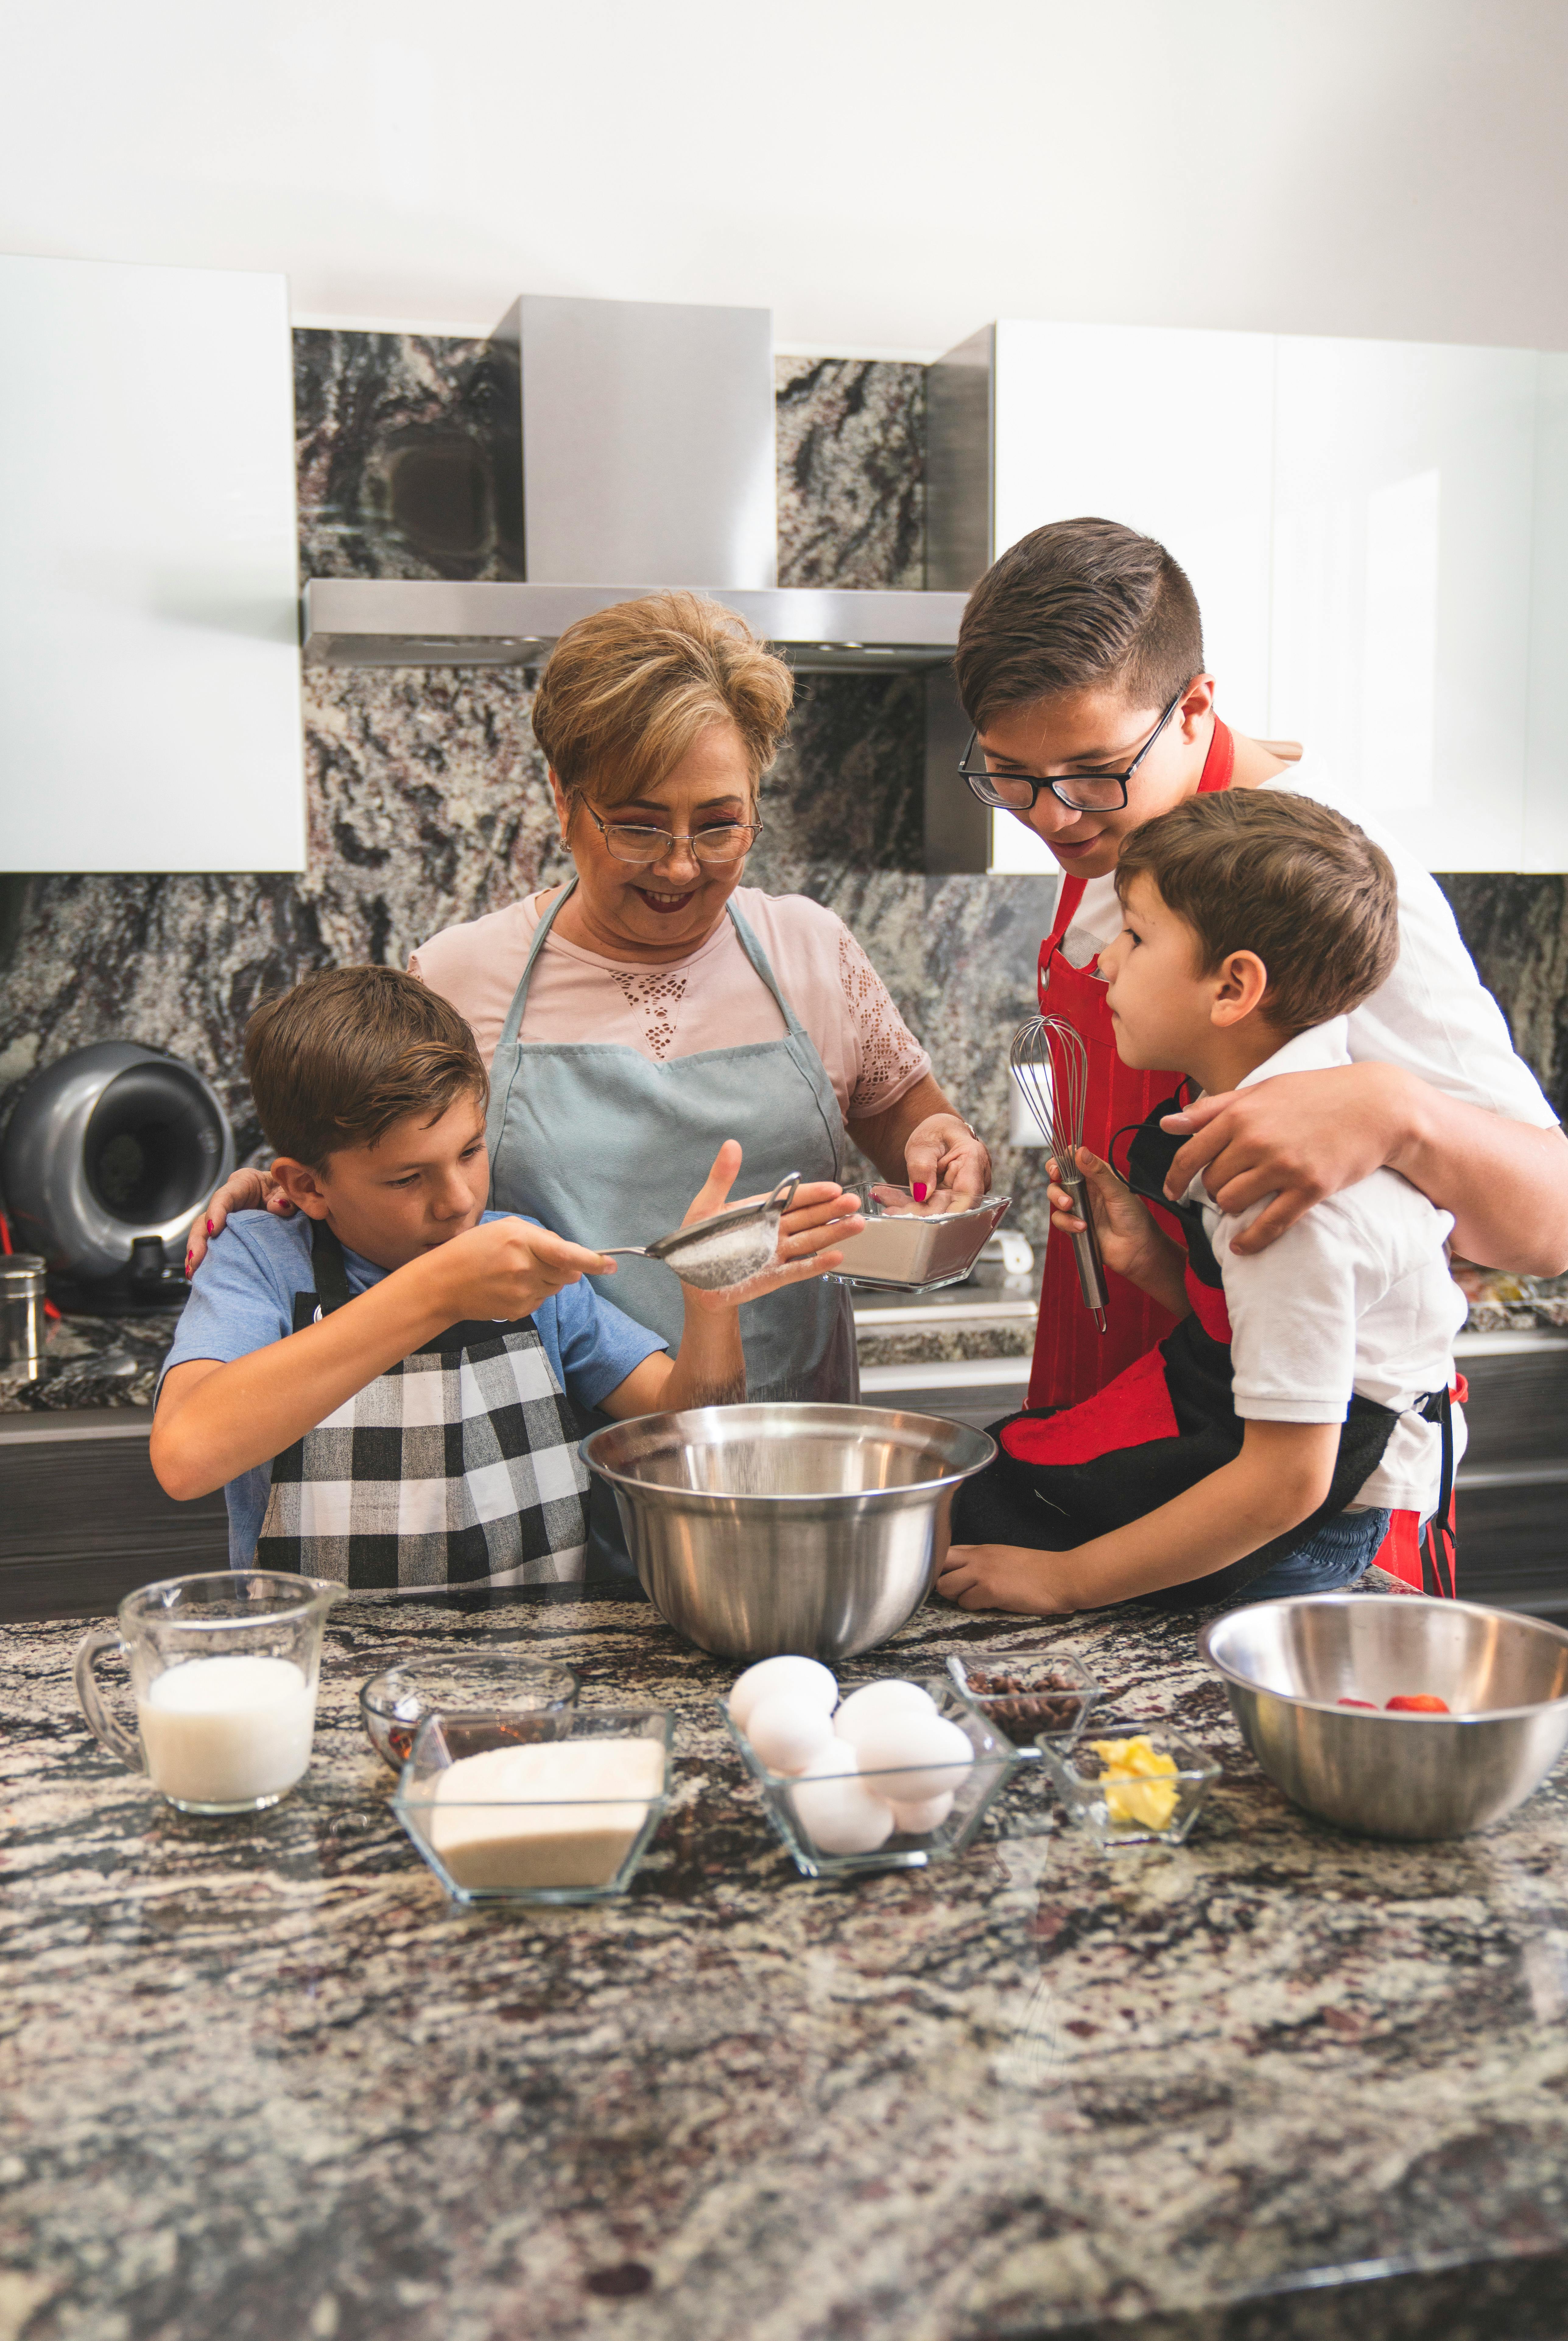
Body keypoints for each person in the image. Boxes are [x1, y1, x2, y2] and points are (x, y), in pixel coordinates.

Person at [192, 592, 991, 1413]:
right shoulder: (460, 976)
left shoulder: (810, 952)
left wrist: (938, 1143)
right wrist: (287, 1200)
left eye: (718, 825)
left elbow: (908, 1126)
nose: (680, 867)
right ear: (563, 799)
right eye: (639, 828)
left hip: (783, 1446)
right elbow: (381, 1170)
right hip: (536, 1470)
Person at [951, 518, 1566, 1584]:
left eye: (1092, 772)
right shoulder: (1126, 830)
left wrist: (1394, 1109)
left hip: (1298, 1492)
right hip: (1150, 1416)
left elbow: (1551, 1220)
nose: (1050, 815)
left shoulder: (1318, 877)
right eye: (1010, 774)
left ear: (1195, 708)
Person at [151, 966, 860, 1585]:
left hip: (538, 1675)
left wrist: (710, 1309)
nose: (458, 1199)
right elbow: (185, 1456)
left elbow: (688, 1435)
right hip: (329, 1678)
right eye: (406, 1178)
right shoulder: (260, 1261)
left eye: (470, 1151)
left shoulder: (528, 1263)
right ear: (306, 1187)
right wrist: (438, 1291)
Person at [938, 791, 1465, 1616]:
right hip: (1260, 1485)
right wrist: (1150, 1261)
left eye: (1135, 936)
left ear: (1232, 988)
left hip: (1285, 1539)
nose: (1106, 962)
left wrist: (1064, 1581)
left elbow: (1283, 1484)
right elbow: (1270, 1340)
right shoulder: (1265, 1117)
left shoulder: (1295, 1203)